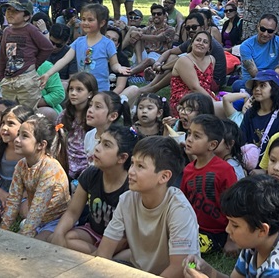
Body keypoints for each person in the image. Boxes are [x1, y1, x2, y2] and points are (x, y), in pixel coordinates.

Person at [96, 135, 199, 277]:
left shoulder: (179, 209)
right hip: (139, 270)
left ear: (164, 177)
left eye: (140, 166)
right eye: (132, 163)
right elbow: (103, 254)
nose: (131, 171)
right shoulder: (127, 200)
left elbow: (179, 267)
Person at [183, 174, 279, 278]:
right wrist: (206, 269)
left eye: (235, 225)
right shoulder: (257, 243)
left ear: (262, 230)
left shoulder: (278, 272)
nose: (227, 229)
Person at [51, 125, 136, 254]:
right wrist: (58, 233)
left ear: (122, 158)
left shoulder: (131, 187)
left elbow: (124, 238)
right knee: (64, 238)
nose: (97, 148)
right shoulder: (91, 173)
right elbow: (72, 213)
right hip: (93, 233)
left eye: (106, 145)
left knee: (124, 255)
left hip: (118, 243)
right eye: (99, 141)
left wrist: (97, 257)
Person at [0, 113, 70, 238]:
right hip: (37, 218)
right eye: (19, 134)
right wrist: (2, 231)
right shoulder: (21, 164)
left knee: (35, 244)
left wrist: (25, 235)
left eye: (24, 136)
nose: (17, 139)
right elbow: (13, 200)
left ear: (41, 145)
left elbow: (38, 208)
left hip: (56, 221)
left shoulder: (50, 170)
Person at [183, 115, 239, 254]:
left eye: (196, 136)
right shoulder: (188, 169)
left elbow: (235, 206)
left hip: (217, 232)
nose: (189, 139)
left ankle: (191, 268)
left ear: (212, 145)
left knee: (192, 249)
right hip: (192, 228)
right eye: (189, 133)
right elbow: (183, 202)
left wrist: (231, 240)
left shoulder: (225, 170)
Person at [43, 3, 127, 94]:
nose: (85, 23)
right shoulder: (78, 42)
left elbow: (114, 64)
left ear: (102, 23)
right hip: (82, 89)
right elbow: (64, 59)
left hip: (100, 90)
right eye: (83, 19)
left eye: (90, 20)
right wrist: (48, 73)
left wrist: (119, 68)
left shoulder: (107, 43)